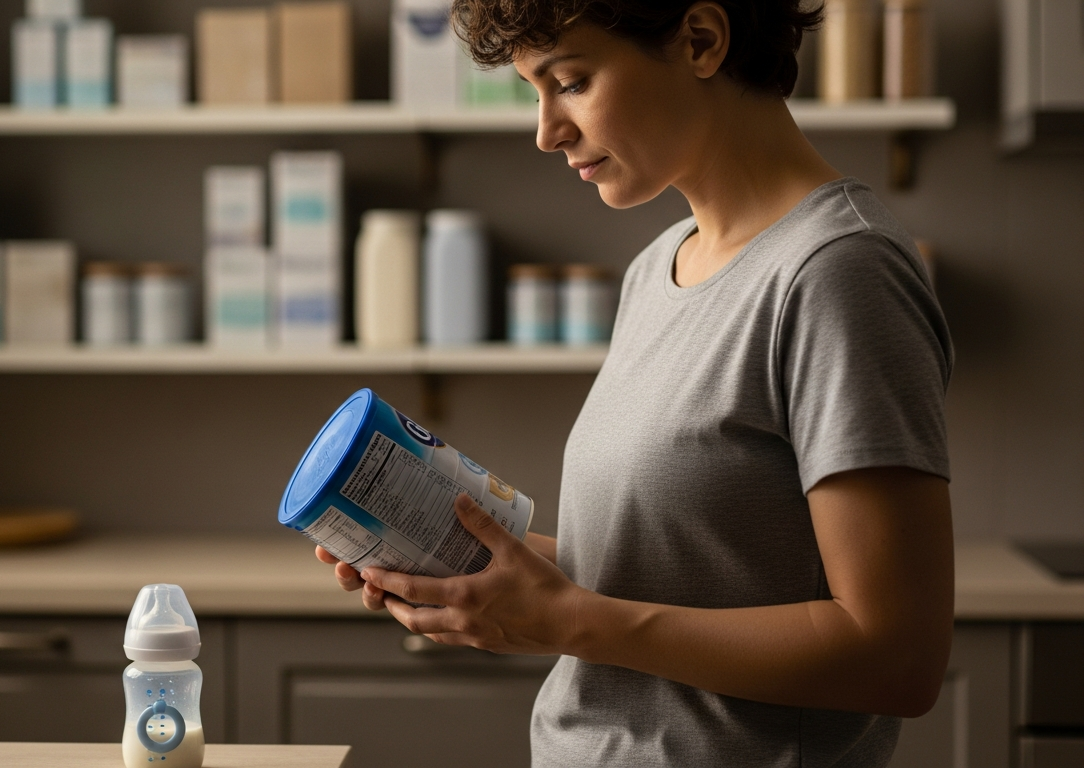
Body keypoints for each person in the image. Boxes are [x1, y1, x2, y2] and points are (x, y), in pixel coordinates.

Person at [316, 1, 955, 766]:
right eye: (534, 92)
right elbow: (664, 574)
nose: (547, 131)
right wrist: (473, 567)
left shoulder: (838, 271)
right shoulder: (658, 267)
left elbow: (896, 657)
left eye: (571, 82)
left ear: (701, 41)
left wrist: (570, 622)